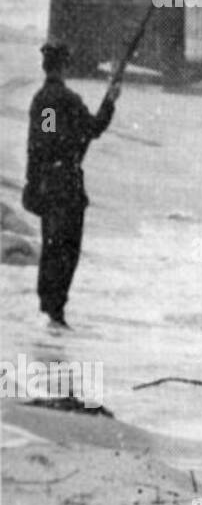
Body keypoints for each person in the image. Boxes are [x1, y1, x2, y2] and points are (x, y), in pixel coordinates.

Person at [24, 41, 120, 328]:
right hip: (65, 186)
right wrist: (110, 101)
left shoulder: (43, 99)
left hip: (47, 183)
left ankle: (50, 305)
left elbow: (40, 143)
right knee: (66, 249)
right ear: (64, 66)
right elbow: (93, 128)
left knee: (53, 246)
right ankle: (55, 309)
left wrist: (34, 182)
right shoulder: (61, 100)